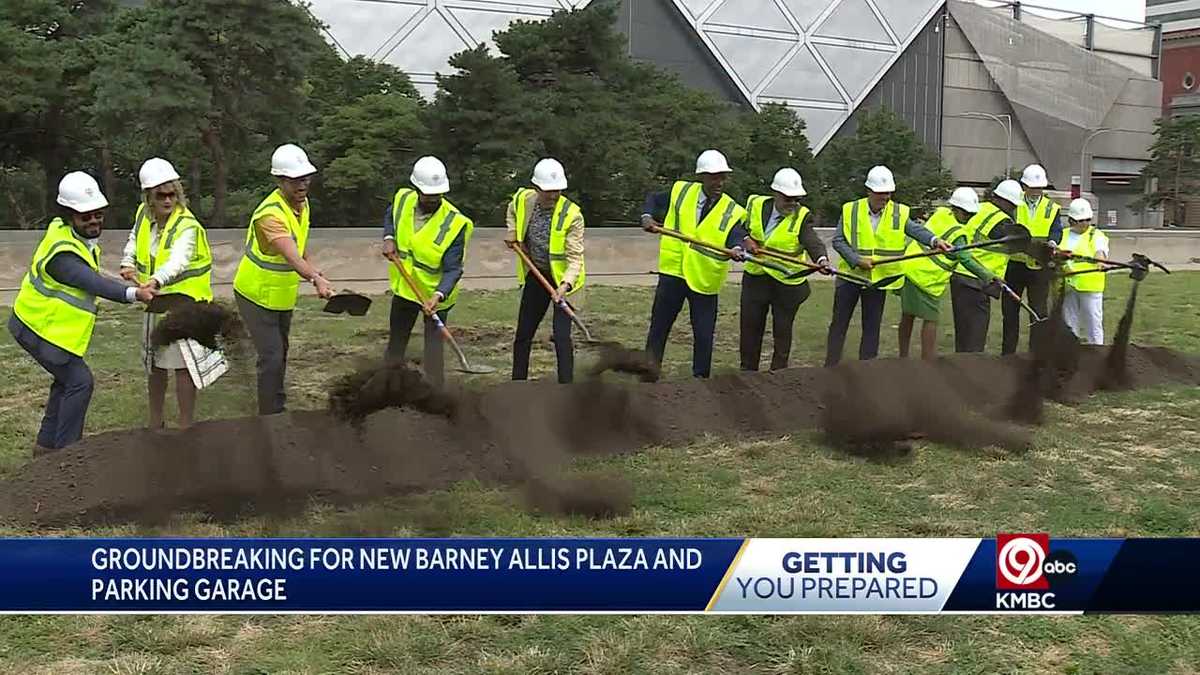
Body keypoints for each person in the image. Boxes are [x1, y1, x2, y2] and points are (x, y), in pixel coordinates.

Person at [9, 172, 155, 454]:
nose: (94, 221)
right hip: (38, 329)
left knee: (66, 382)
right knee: (79, 382)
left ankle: (46, 447)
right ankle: (67, 455)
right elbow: (91, 282)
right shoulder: (62, 254)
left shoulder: (69, 235)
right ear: (68, 215)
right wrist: (134, 294)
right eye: (85, 216)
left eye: (97, 214)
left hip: (41, 327)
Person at [233, 144, 334, 415]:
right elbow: (290, 255)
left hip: (280, 295)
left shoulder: (302, 205)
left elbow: (300, 247)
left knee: (281, 352)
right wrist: (315, 277)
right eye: (295, 180)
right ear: (280, 180)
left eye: (306, 178)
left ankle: (278, 406)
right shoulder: (270, 215)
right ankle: (270, 418)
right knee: (271, 356)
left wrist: (316, 272)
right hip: (255, 294)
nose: (303, 184)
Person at [119, 158, 213, 430]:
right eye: (162, 195)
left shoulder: (187, 226)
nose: (168, 200)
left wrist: (156, 281)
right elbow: (133, 239)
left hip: (185, 302)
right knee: (155, 363)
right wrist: (128, 261)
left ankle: (185, 426)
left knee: (183, 366)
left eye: (173, 193)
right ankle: (155, 422)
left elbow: (179, 260)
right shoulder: (143, 215)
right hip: (157, 301)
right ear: (149, 197)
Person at [825, 165, 952, 366]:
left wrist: (935, 241)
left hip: (879, 280)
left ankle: (867, 368)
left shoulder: (898, 212)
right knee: (839, 324)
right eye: (881, 193)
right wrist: (856, 260)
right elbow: (839, 241)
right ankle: (831, 366)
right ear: (869, 191)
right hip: (850, 277)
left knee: (872, 328)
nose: (885, 198)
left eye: (888, 193)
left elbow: (916, 230)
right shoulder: (850, 209)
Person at [641, 149, 749, 378]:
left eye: (722, 177)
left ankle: (701, 381)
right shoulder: (681, 191)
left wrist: (738, 249)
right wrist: (647, 216)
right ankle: (648, 375)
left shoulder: (733, 209)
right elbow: (652, 199)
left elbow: (736, 235)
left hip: (704, 279)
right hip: (673, 273)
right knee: (659, 328)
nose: (719, 182)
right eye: (713, 177)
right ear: (701, 176)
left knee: (704, 333)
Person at [382, 156, 474, 387]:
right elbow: (390, 215)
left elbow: (454, 269)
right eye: (428, 194)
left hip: (435, 296)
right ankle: (387, 388)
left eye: (437, 195)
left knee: (433, 352)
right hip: (406, 288)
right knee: (396, 343)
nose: (433, 198)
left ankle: (435, 396)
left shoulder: (455, 223)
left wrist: (437, 295)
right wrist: (389, 237)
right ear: (417, 188)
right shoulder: (403, 200)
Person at [739, 168, 830, 371]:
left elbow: (812, 241)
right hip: (756, 277)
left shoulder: (802, 216)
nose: (793, 204)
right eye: (788, 199)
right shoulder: (755, 204)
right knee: (750, 327)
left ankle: (778, 374)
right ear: (776, 194)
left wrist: (821, 260)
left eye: (797, 199)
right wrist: (746, 239)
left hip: (786, 282)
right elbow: (738, 226)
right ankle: (747, 372)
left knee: (782, 329)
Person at [504, 158, 585, 384]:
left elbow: (575, 258)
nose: (553, 195)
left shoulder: (572, 215)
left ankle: (566, 387)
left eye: (557, 190)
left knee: (561, 337)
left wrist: (564, 286)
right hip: (536, 273)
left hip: (564, 281)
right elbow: (511, 211)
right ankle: (518, 384)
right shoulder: (524, 199)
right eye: (548, 191)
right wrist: (512, 232)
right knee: (523, 333)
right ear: (536, 188)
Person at [898, 187, 997, 360]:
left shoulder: (941, 213)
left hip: (909, 268)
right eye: (967, 214)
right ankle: (928, 361)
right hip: (925, 277)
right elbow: (967, 260)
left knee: (908, 314)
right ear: (956, 209)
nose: (970, 217)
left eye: (972, 214)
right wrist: (989, 277)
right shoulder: (958, 233)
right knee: (931, 319)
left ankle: (903, 356)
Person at [949, 179, 1026, 353]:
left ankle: (959, 370)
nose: (1014, 209)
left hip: (962, 277)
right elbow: (1019, 242)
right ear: (1003, 200)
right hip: (976, 280)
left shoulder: (981, 209)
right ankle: (970, 373)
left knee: (963, 335)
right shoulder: (999, 219)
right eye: (1013, 205)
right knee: (975, 337)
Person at [1002, 164, 1062, 355]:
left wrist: (1053, 242)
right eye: (1033, 187)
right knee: (1010, 312)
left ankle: (1036, 354)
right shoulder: (1014, 203)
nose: (1036, 191)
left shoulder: (1052, 207)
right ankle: (1008, 354)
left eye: (1039, 188)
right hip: (1015, 265)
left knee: (1038, 313)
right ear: (1024, 186)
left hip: (1039, 267)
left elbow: (1056, 230)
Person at [1056, 198, 1109, 345]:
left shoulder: (1096, 235)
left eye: (1088, 219)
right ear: (1072, 220)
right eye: (1081, 220)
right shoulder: (1063, 234)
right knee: (1069, 323)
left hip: (1089, 288)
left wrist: (1100, 261)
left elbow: (1100, 250)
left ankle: (1098, 352)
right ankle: (1071, 351)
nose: (1085, 223)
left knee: (1093, 324)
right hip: (1067, 287)